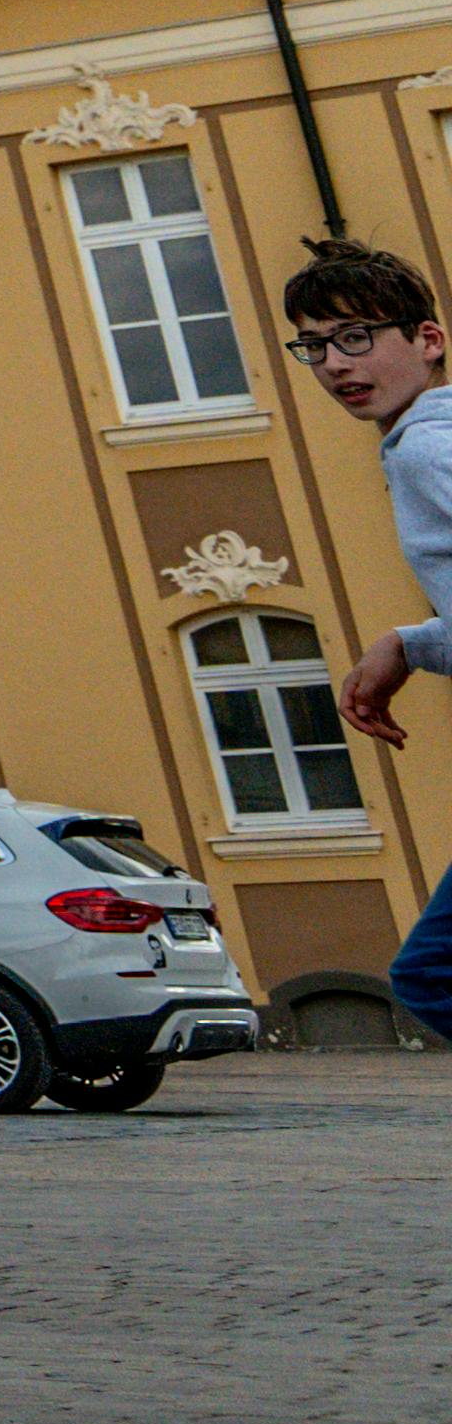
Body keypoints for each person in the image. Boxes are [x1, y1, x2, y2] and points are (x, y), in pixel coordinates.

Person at [278, 241, 452, 1040]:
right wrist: (412, 644)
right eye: (314, 346)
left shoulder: (427, 450)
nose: (335, 365)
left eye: (357, 337)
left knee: (432, 973)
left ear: (428, 339)